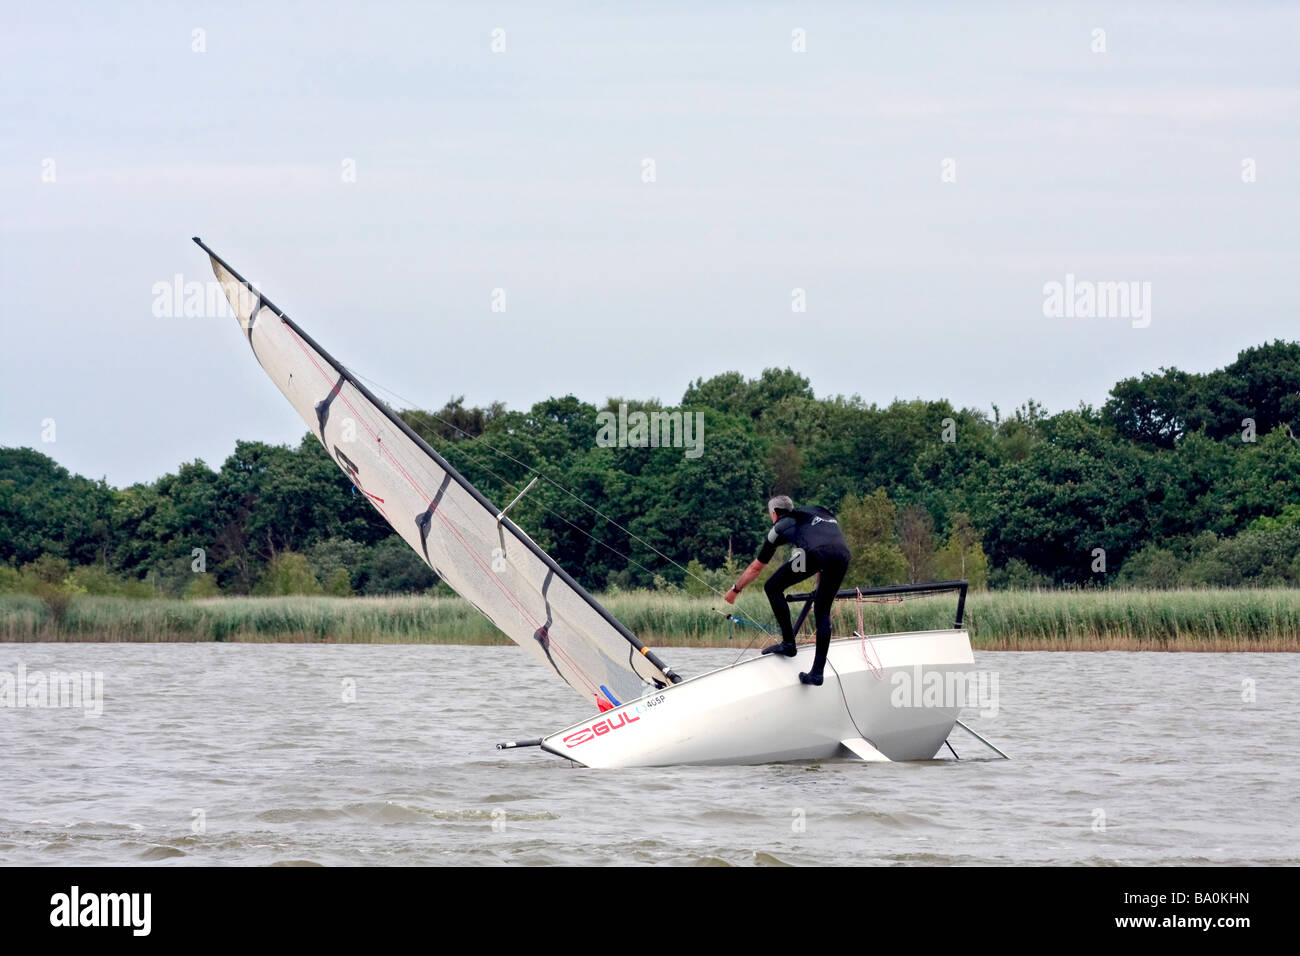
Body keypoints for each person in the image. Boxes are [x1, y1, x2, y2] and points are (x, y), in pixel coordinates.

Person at [724, 495, 851, 686]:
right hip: (842, 554)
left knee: (772, 587)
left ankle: (789, 644)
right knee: (822, 611)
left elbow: (756, 568)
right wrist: (820, 577)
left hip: (815, 553)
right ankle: (817, 673)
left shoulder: (779, 528)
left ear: (774, 514)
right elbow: (827, 537)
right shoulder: (817, 510)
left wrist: (735, 590)